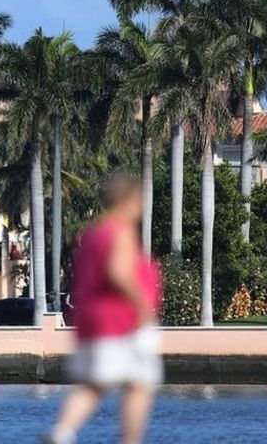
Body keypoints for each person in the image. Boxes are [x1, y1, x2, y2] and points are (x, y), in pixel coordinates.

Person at [47, 174, 161, 444]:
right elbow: (118, 272)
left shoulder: (93, 234)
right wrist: (142, 303)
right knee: (140, 383)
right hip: (123, 321)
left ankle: (61, 432)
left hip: (93, 321)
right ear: (130, 200)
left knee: (94, 384)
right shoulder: (121, 232)